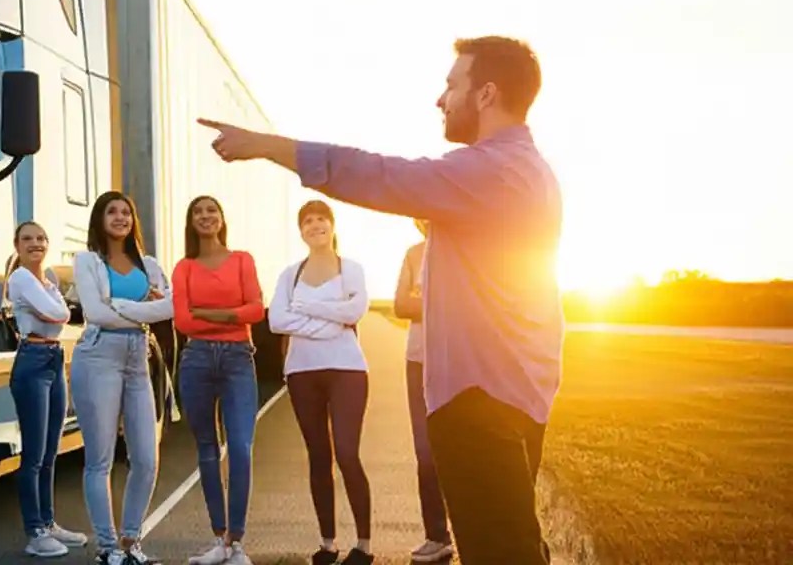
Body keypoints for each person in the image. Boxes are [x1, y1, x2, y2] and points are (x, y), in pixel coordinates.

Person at [198, 35, 563, 565]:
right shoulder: (527, 171)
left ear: (486, 94)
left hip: (481, 400)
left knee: (501, 552)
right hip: (509, 391)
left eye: (451, 85)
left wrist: (269, 146)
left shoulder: (494, 172)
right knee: (515, 544)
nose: (441, 99)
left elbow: (381, 175)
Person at [69, 190, 174, 565]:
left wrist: (124, 307)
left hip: (137, 357)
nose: (120, 217)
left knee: (146, 457)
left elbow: (172, 307)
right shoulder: (87, 261)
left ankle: (132, 543)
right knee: (100, 459)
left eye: (126, 212)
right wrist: (145, 308)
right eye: (111, 212)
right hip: (98, 356)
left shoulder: (149, 263)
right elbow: (95, 313)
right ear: (99, 219)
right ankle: (108, 547)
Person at [267, 199, 375, 565]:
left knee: (346, 452)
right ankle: (327, 543)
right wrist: (331, 322)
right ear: (301, 231)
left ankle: (363, 545)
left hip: (347, 370)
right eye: (308, 221)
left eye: (321, 219)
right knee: (318, 456)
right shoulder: (290, 275)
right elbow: (277, 321)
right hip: (302, 372)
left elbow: (355, 311)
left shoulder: (352, 269)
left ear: (332, 225)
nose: (315, 226)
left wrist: (309, 310)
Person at [170, 195, 265, 565]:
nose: (205, 216)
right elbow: (183, 322)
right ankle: (219, 541)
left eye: (211, 211)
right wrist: (232, 315)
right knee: (207, 450)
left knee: (240, 447)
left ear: (222, 218)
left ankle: (237, 541)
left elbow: (256, 310)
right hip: (196, 360)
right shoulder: (184, 267)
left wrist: (210, 312)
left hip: (238, 359)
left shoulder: (242, 259)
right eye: (198, 212)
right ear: (191, 222)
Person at [4, 221, 90, 558]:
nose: (35, 243)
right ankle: (34, 531)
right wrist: (60, 310)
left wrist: (60, 310)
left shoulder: (48, 279)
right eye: (28, 239)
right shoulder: (21, 278)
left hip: (54, 358)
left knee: (51, 451)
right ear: (17, 245)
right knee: (34, 455)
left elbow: (60, 314)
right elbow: (60, 313)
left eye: (41, 238)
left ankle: (49, 523)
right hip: (32, 362)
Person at [393, 218, 454, 562]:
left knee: (463, 450)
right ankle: (436, 535)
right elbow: (401, 305)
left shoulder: (465, 252)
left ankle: (478, 533)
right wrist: (439, 303)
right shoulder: (413, 254)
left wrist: (423, 301)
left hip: (459, 360)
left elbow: (468, 305)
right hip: (418, 361)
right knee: (425, 451)